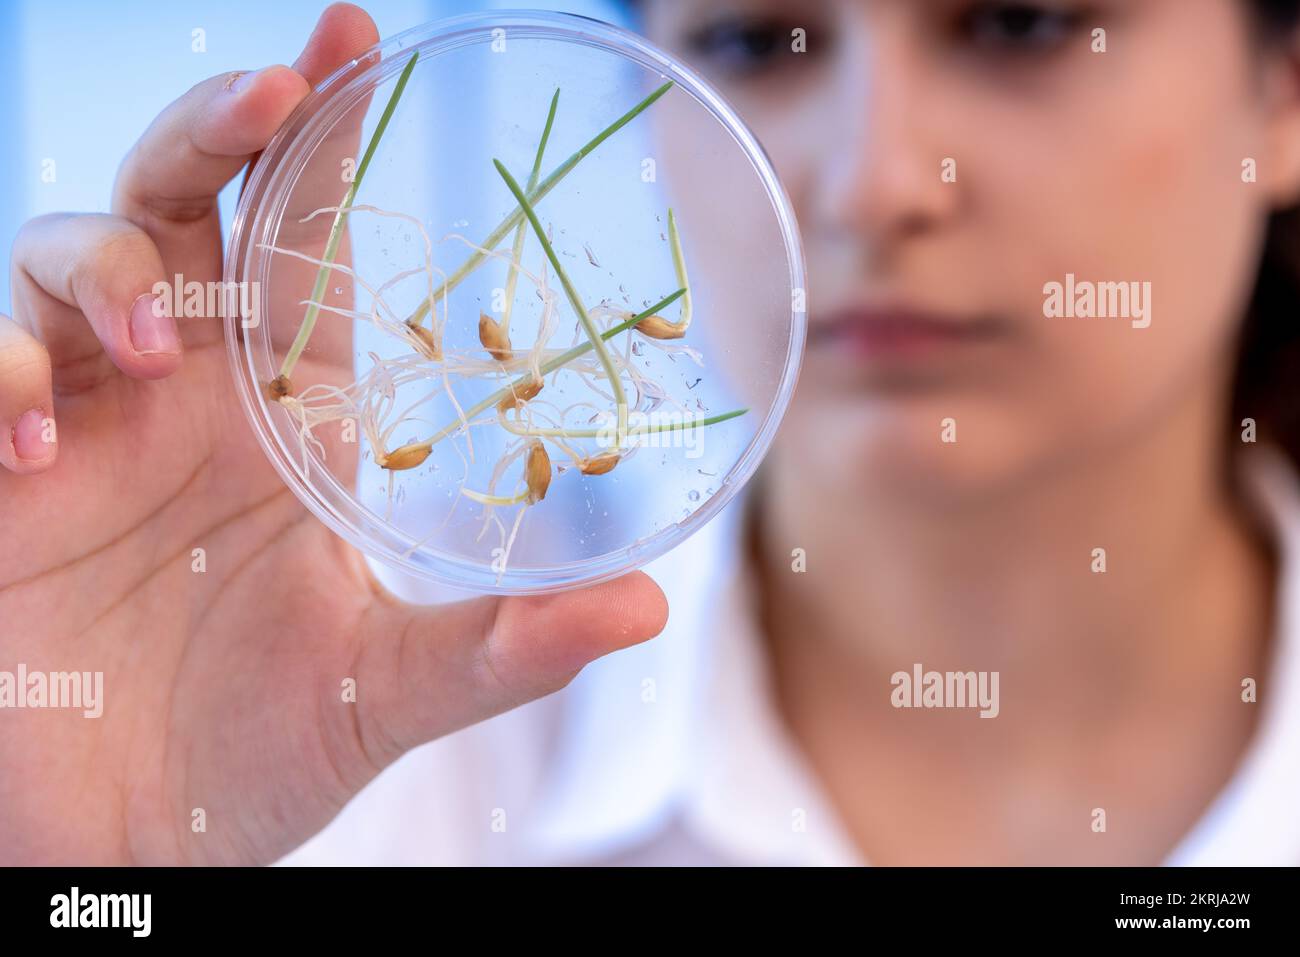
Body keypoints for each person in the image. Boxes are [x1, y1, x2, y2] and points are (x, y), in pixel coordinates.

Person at [4, 0, 1300, 866]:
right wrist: (86, 851)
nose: (873, 183)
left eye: (1022, 23)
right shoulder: (353, 749)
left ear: (1284, 90)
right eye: (759, 42)